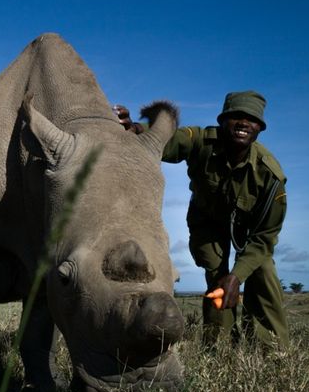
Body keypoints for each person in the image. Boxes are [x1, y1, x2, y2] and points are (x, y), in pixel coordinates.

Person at [115, 92, 289, 348]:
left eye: (251, 119)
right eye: (236, 116)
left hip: (250, 232)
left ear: (259, 129)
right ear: (222, 121)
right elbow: (168, 140)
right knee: (218, 275)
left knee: (262, 272)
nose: (243, 123)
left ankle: (271, 348)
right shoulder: (201, 141)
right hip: (207, 224)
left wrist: (237, 277)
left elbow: (264, 238)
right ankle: (219, 345)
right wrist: (136, 129)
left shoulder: (270, 177)